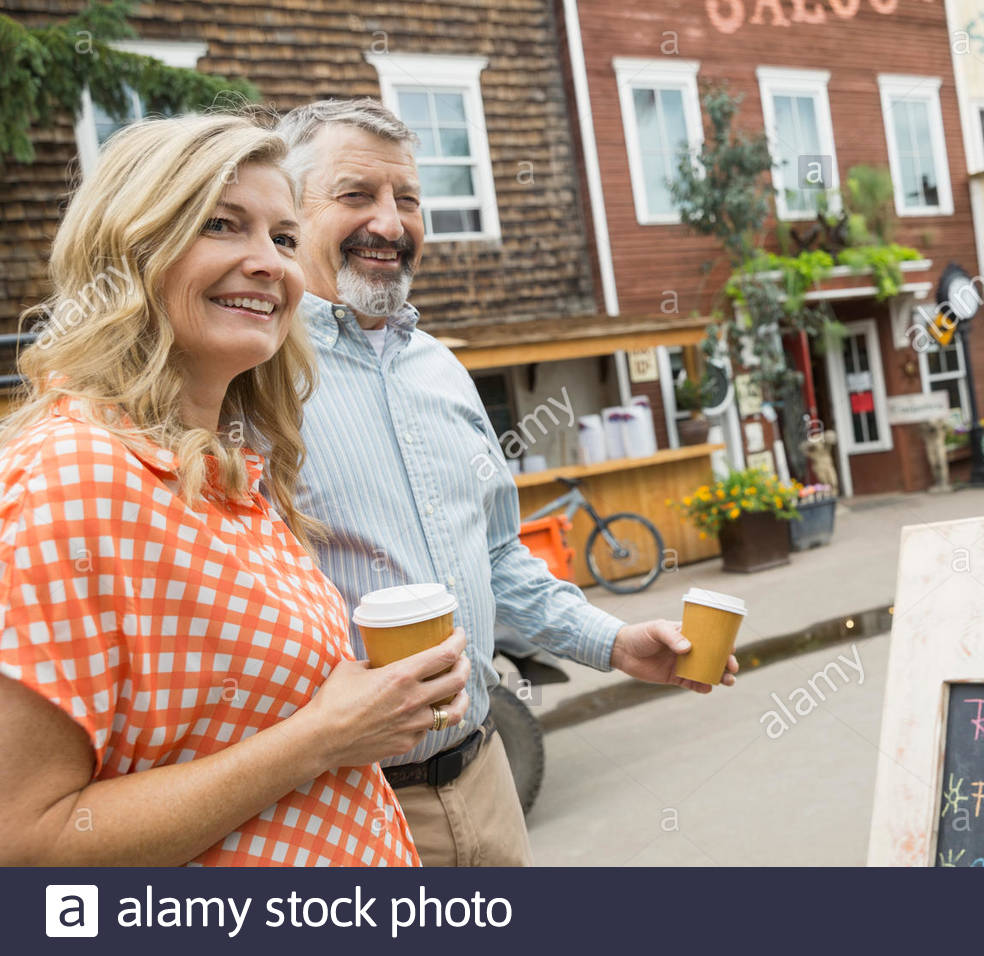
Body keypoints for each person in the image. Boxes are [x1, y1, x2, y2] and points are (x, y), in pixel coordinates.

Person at [277, 99, 739, 866]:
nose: (390, 225)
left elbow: (494, 558)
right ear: (287, 213)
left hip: (485, 780)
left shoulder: (443, 370)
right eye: (356, 196)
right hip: (342, 810)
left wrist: (617, 643)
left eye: (408, 200)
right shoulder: (253, 382)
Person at [0, 113, 470, 866]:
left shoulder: (225, 467)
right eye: (222, 225)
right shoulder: (71, 474)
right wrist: (326, 737)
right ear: (130, 249)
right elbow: (25, 843)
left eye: (284, 238)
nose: (271, 264)